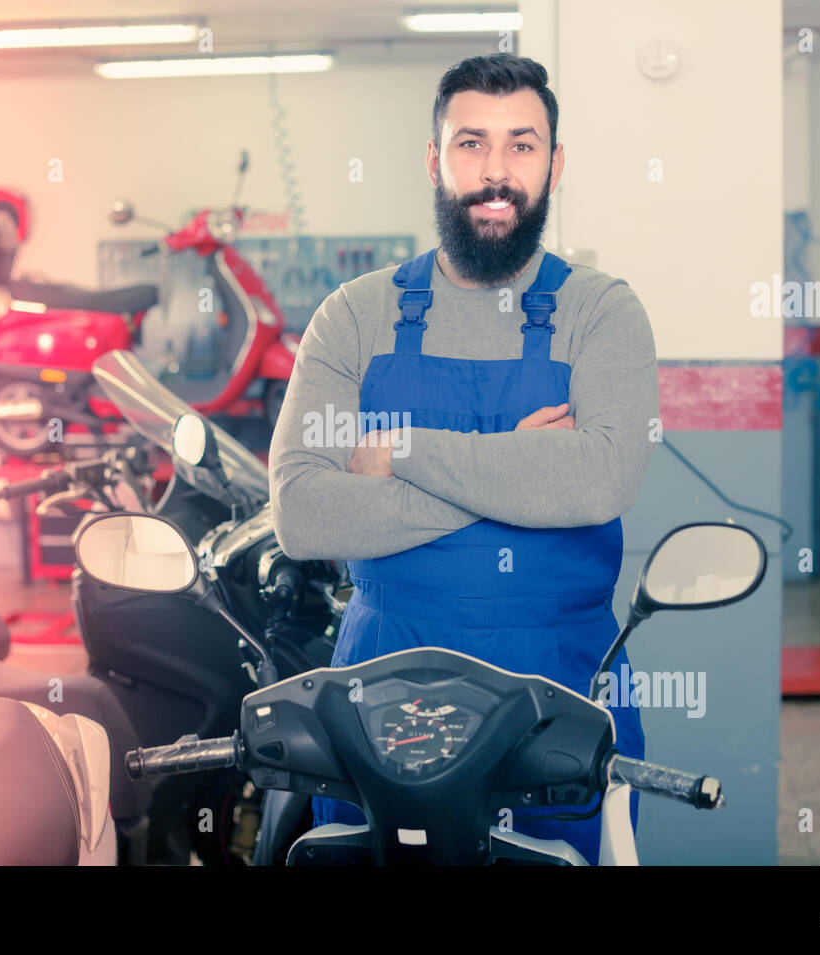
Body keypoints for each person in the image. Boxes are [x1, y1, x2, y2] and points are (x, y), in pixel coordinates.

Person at [266, 53, 659, 864]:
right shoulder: (356, 316)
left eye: (522, 145)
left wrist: (399, 451)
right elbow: (303, 513)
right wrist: (518, 469)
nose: (496, 172)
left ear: (555, 164)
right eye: (471, 143)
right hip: (379, 685)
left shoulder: (602, 313)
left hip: (560, 688)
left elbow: (601, 479)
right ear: (435, 161)